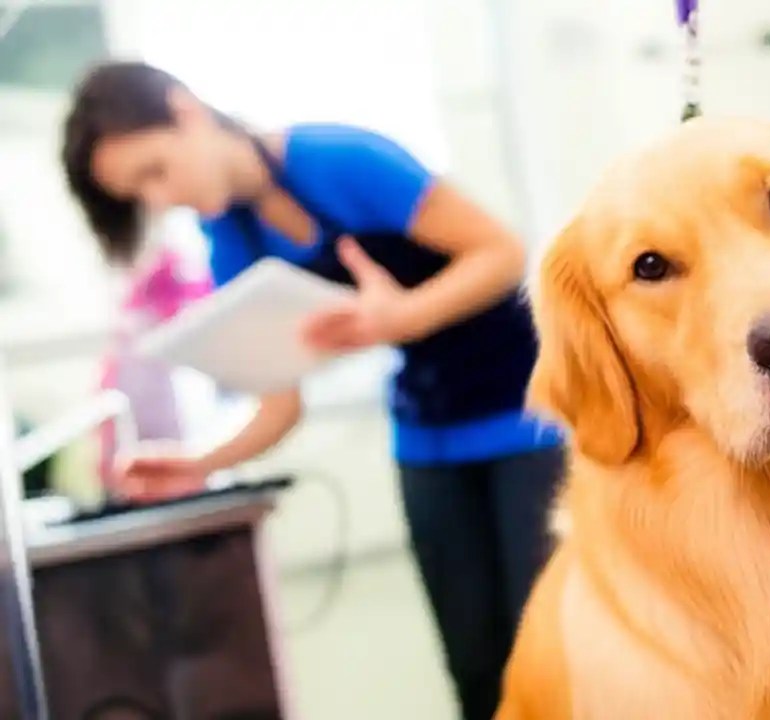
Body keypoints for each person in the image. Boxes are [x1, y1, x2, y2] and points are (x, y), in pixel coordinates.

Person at [61, 61, 563, 720]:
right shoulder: (230, 240)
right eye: (139, 193)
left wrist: (404, 317)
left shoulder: (339, 159)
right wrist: (200, 465)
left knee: (551, 658)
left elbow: (499, 252)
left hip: (522, 418)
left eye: (156, 169)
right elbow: (281, 402)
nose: (160, 197)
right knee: (475, 665)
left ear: (186, 111)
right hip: (427, 440)